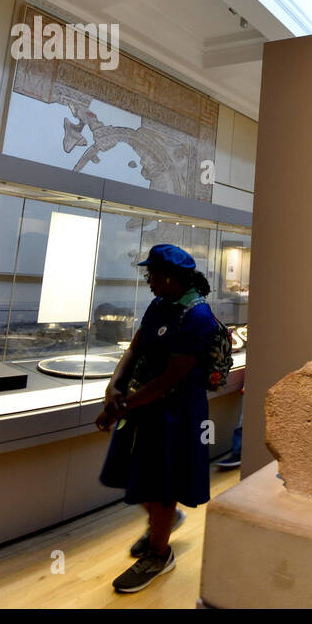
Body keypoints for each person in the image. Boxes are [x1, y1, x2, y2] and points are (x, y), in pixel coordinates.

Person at [96, 244, 215, 593]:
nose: (147, 280)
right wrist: (114, 387)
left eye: (151, 274)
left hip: (175, 414)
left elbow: (169, 380)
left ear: (169, 276)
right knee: (138, 475)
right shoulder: (160, 304)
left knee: (162, 486)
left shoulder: (197, 316)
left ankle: (160, 553)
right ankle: (164, 522)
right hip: (142, 406)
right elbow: (135, 348)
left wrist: (121, 405)